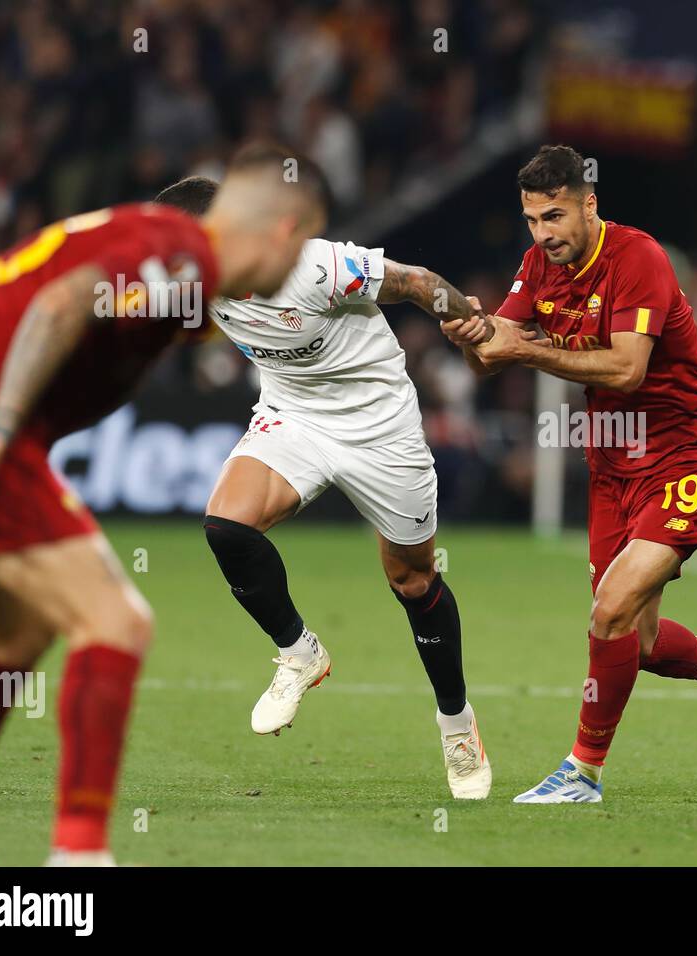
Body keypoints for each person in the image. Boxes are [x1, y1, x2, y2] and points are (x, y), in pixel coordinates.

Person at [0, 144, 327, 866]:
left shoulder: (163, 256)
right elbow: (63, 304)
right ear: (284, 233)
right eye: (304, 245)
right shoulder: (180, 252)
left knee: (15, 635)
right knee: (115, 622)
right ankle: (79, 859)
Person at [441, 145, 697, 803]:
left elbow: (625, 369)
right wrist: (473, 338)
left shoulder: (638, 257)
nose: (543, 234)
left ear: (589, 203)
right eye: (532, 219)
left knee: (610, 610)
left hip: (684, 454)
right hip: (612, 466)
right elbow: (496, 354)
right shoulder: (538, 265)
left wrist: (521, 346)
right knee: (635, 640)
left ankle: (583, 773)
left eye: (554, 215)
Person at [153, 176, 491, 799]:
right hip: (295, 419)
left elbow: (416, 282)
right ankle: (300, 653)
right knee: (226, 524)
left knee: (413, 580)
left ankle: (457, 724)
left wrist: (467, 325)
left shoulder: (311, 266)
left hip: (381, 425)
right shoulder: (193, 288)